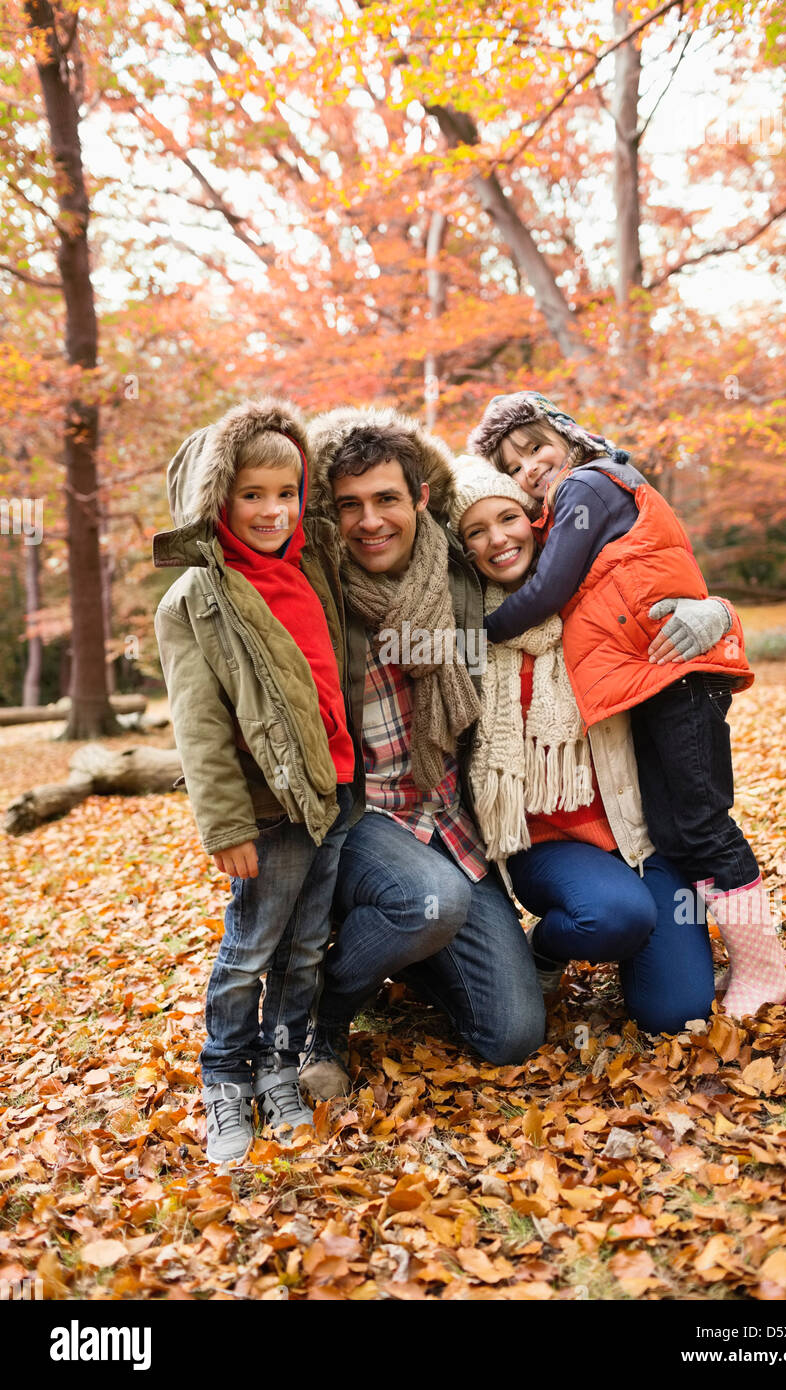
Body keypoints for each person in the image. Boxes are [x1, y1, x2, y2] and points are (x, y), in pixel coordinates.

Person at [468, 391, 786, 1017]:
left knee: (697, 828)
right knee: (684, 827)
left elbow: (563, 590)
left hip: (672, 701)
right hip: (567, 829)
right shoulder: (551, 538)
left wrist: (720, 613)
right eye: (511, 466)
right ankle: (740, 960)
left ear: (566, 434)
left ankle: (762, 966)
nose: (529, 468)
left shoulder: (587, 488)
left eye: (535, 447)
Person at [295, 408, 547, 1100]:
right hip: (359, 824)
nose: (370, 521)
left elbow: (552, 543)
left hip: (448, 816)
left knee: (513, 1036)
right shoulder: (315, 590)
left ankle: (400, 951)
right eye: (349, 506)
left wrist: (711, 612)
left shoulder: (459, 574)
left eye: (386, 500)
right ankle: (327, 1011)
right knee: (432, 902)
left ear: (421, 501)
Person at [153, 398, 355, 1163]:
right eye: (252, 494)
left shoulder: (311, 566)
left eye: (286, 492)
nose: (273, 511)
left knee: (303, 950)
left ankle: (278, 1065)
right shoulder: (197, 600)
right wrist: (226, 826)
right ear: (217, 499)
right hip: (266, 811)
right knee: (249, 951)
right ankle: (224, 1080)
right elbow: (199, 728)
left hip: (329, 793)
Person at [450, 456, 717, 1033]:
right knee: (612, 916)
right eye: (476, 530)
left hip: (638, 831)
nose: (498, 538)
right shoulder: (464, 630)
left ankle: (643, 934)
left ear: (534, 521)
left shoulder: (589, 598)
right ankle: (547, 947)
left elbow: (669, 598)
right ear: (462, 547)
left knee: (678, 1013)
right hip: (545, 842)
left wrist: (716, 612)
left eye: (508, 518)